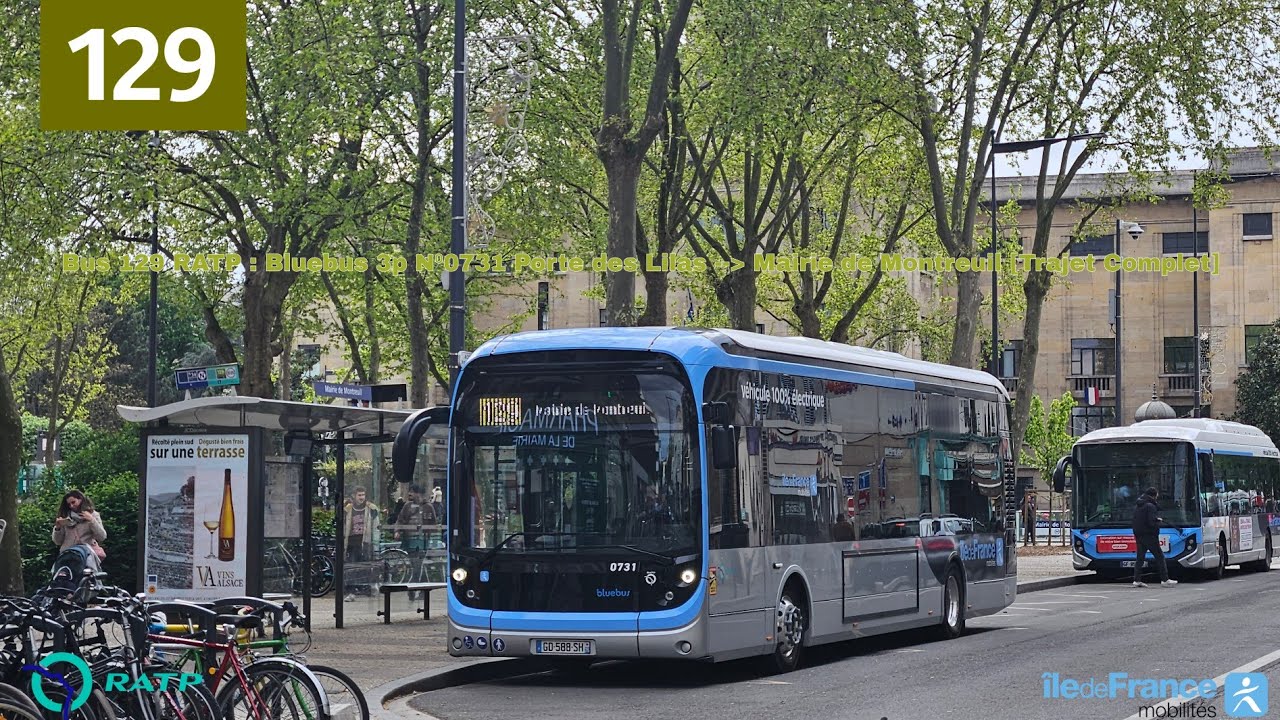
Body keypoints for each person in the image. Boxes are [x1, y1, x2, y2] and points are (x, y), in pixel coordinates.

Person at [1133, 487, 1177, 587]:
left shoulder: (1139, 505)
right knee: (1160, 556)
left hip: (1139, 534)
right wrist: (1157, 520)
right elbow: (1151, 522)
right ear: (1154, 495)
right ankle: (1165, 579)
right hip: (1149, 535)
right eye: (1157, 495)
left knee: (1140, 557)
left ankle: (1137, 580)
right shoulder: (1150, 506)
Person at [52, 490, 107, 555]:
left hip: (87, 555)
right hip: (68, 555)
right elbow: (57, 542)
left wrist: (92, 520)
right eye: (69, 504)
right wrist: (58, 528)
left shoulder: (93, 515)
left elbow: (102, 537)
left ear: (80, 499)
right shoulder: (65, 517)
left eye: (73, 502)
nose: (71, 506)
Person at [343, 487, 380, 563]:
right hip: (352, 542)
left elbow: (376, 527)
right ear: (354, 496)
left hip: (366, 543)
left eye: (363, 495)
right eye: (359, 495)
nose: (362, 497)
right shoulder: (348, 509)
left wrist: (376, 544)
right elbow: (343, 526)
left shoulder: (371, 509)